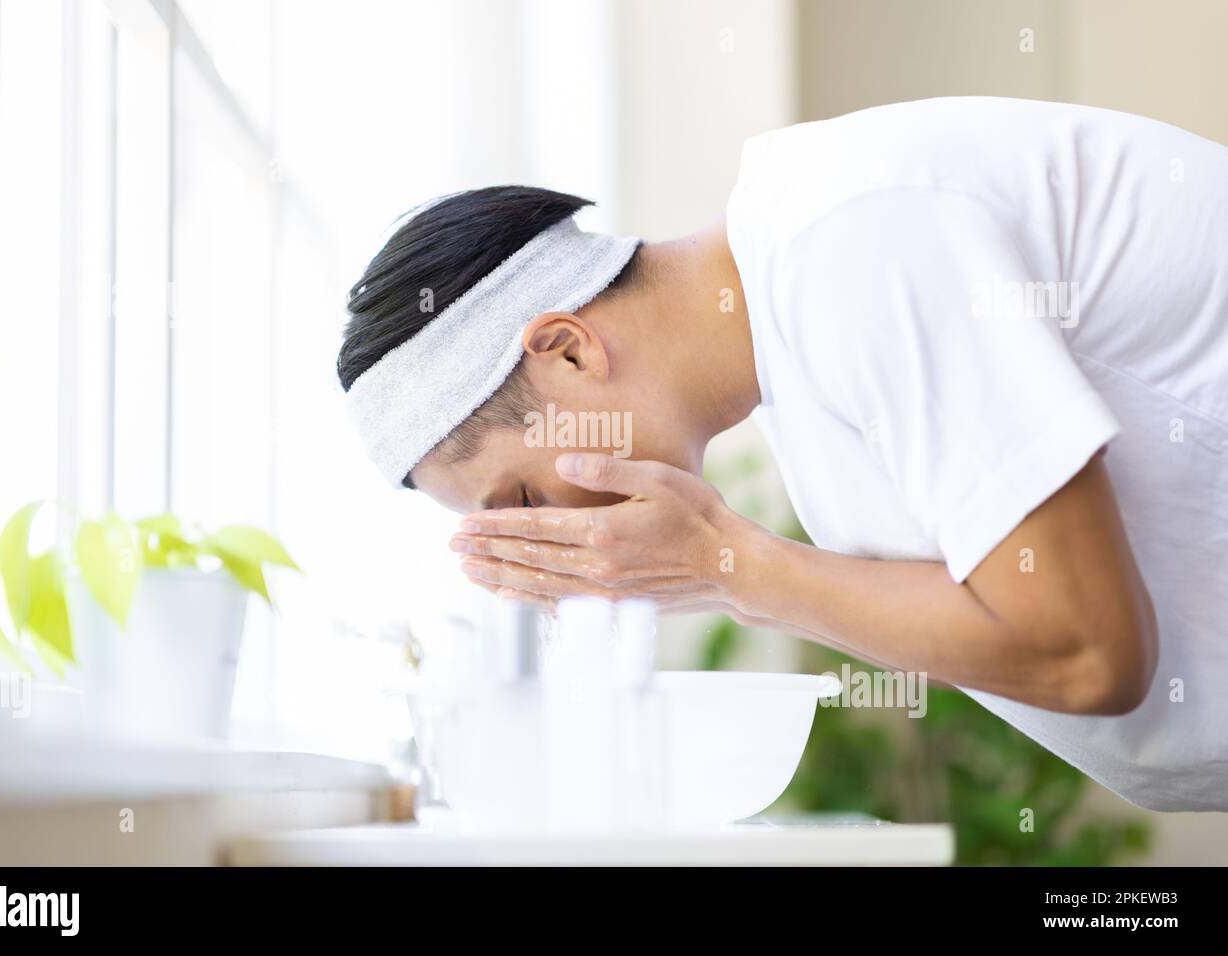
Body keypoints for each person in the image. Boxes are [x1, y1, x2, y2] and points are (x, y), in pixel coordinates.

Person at [337, 97, 1228, 811]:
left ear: (568, 347)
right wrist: (731, 575)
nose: (555, 559)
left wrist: (736, 569)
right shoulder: (802, 389)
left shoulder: (848, 240)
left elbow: (1088, 653)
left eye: (524, 501)